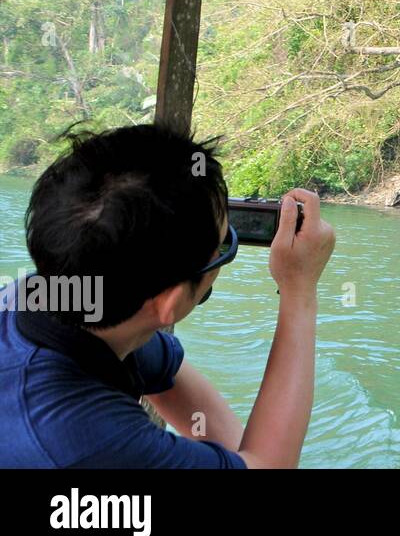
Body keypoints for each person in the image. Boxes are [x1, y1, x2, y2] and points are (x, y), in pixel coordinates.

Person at [0, 124, 335, 468]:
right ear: (170, 303)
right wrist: (299, 289)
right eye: (223, 247)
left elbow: (172, 383)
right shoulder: (89, 440)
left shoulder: (55, 295)